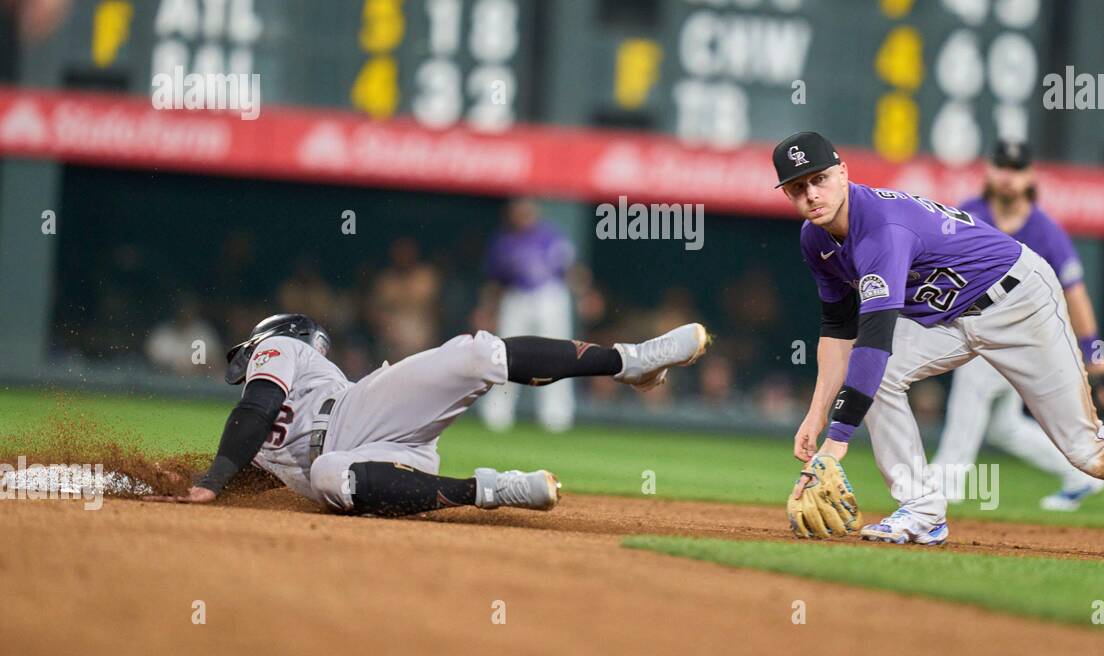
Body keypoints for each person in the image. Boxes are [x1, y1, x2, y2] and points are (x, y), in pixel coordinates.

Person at [775, 130, 1104, 564]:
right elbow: (839, 331)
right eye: (797, 188)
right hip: (948, 317)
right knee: (878, 380)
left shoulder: (881, 228)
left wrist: (835, 447)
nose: (811, 194)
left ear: (843, 172)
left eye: (818, 178)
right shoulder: (812, 239)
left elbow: (875, 340)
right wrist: (817, 417)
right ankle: (922, 510)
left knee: (1084, 449)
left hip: (1017, 301)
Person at [148, 313, 710, 513]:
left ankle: (632, 362)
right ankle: (491, 490)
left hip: (355, 415)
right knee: (327, 477)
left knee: (473, 355)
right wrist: (168, 480)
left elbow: (258, 404)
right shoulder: (263, 447)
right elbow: (256, 466)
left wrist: (212, 480)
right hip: (372, 458)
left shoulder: (285, 351)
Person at [930, 140, 1104, 511]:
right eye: (1002, 167)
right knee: (1003, 426)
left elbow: (1075, 293)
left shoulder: (1045, 231)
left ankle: (943, 485)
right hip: (980, 326)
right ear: (989, 171)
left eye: (1017, 169)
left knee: (972, 382)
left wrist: (1094, 350)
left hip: (1028, 334)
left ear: (1030, 177)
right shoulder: (970, 213)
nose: (1008, 177)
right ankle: (1083, 473)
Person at [477, 199, 578, 432]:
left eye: (527, 211)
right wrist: (487, 309)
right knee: (506, 354)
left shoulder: (550, 237)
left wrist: (584, 295)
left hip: (550, 296)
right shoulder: (504, 242)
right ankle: (497, 413)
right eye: (518, 211)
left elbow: (570, 270)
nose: (523, 215)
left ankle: (557, 415)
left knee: (558, 355)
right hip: (517, 297)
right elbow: (495, 282)